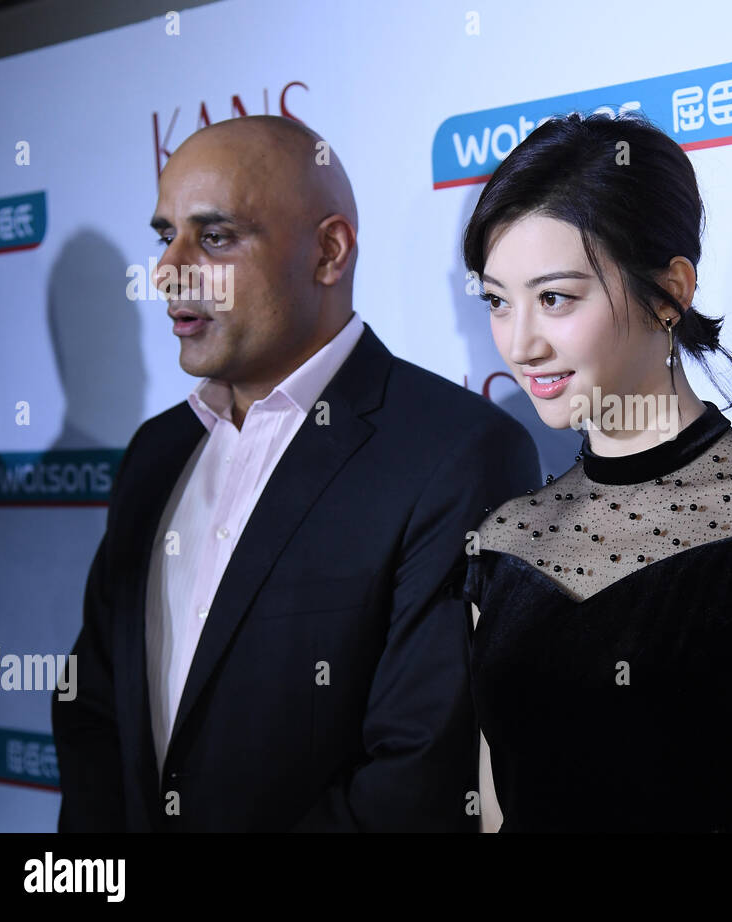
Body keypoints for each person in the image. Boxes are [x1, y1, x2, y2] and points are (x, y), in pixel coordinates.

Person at [51, 115, 540, 831]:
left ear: (328, 252)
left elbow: (419, 777)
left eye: (213, 237)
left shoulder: (457, 453)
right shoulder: (155, 455)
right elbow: (94, 711)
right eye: (166, 236)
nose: (168, 270)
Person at [459, 112, 732, 833]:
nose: (520, 343)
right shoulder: (504, 546)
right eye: (498, 301)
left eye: (555, 298)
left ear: (670, 291)